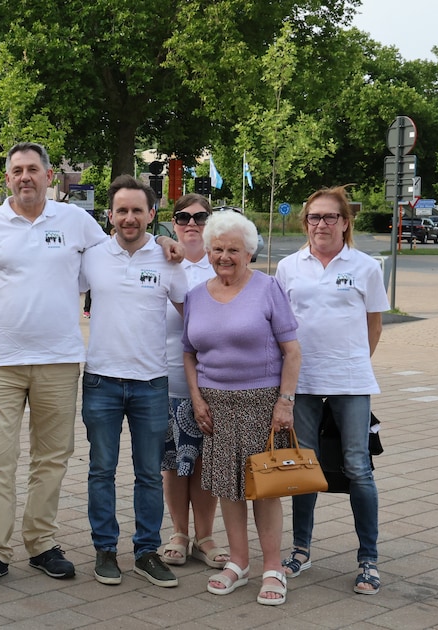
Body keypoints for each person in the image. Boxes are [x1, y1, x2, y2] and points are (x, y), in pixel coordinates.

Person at [0, 142, 181, 588]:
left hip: (60, 361)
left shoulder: (75, 221)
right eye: (17, 170)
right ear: (7, 178)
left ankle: (40, 544)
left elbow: (127, 244)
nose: (25, 177)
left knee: (51, 459)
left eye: (33, 169)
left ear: (49, 175)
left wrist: (166, 240)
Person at [182, 210, 300, 606]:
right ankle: (238, 563)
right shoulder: (196, 295)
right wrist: (197, 398)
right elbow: (189, 352)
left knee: (264, 489)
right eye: (217, 248)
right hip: (214, 407)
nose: (224, 256)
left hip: (261, 404)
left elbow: (292, 351)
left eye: (233, 249)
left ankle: (272, 568)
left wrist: (285, 402)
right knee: (227, 489)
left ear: (249, 252)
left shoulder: (267, 288)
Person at [275, 185, 388, 595]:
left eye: (330, 217)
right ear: (305, 222)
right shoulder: (288, 267)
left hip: (351, 382)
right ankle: (301, 550)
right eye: (314, 217)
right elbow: (282, 326)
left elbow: (374, 325)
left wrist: (354, 362)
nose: (321, 224)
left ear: (345, 222)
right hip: (302, 383)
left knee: (358, 467)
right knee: (306, 468)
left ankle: (368, 560)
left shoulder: (365, 266)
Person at [79, 175, 186, 587]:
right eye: (121, 210)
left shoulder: (168, 260)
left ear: (151, 215)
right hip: (101, 381)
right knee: (101, 470)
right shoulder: (92, 256)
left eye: (137, 210)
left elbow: (192, 314)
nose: (129, 217)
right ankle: (105, 550)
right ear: (110, 215)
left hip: (151, 383)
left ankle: (146, 551)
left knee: (148, 473)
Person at [159, 195, 229, 570]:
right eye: (183, 217)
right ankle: (179, 533)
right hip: (167, 377)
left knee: (204, 461)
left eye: (200, 217)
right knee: (172, 462)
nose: (191, 224)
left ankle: (205, 536)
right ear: (172, 222)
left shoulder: (219, 264)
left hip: (214, 383)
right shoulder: (161, 260)